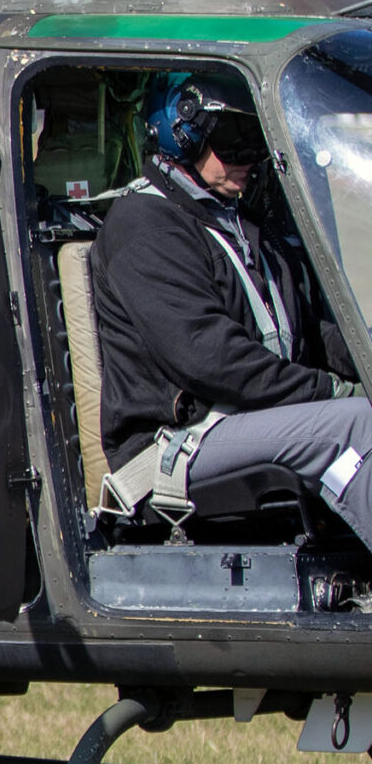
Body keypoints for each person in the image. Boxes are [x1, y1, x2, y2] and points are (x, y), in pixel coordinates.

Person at [94, 74, 371, 548]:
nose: (250, 155)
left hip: (249, 418)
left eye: (256, 139)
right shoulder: (145, 224)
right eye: (233, 139)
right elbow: (209, 358)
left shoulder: (240, 220)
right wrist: (330, 389)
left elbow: (310, 330)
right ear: (181, 132)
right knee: (356, 423)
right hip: (180, 442)